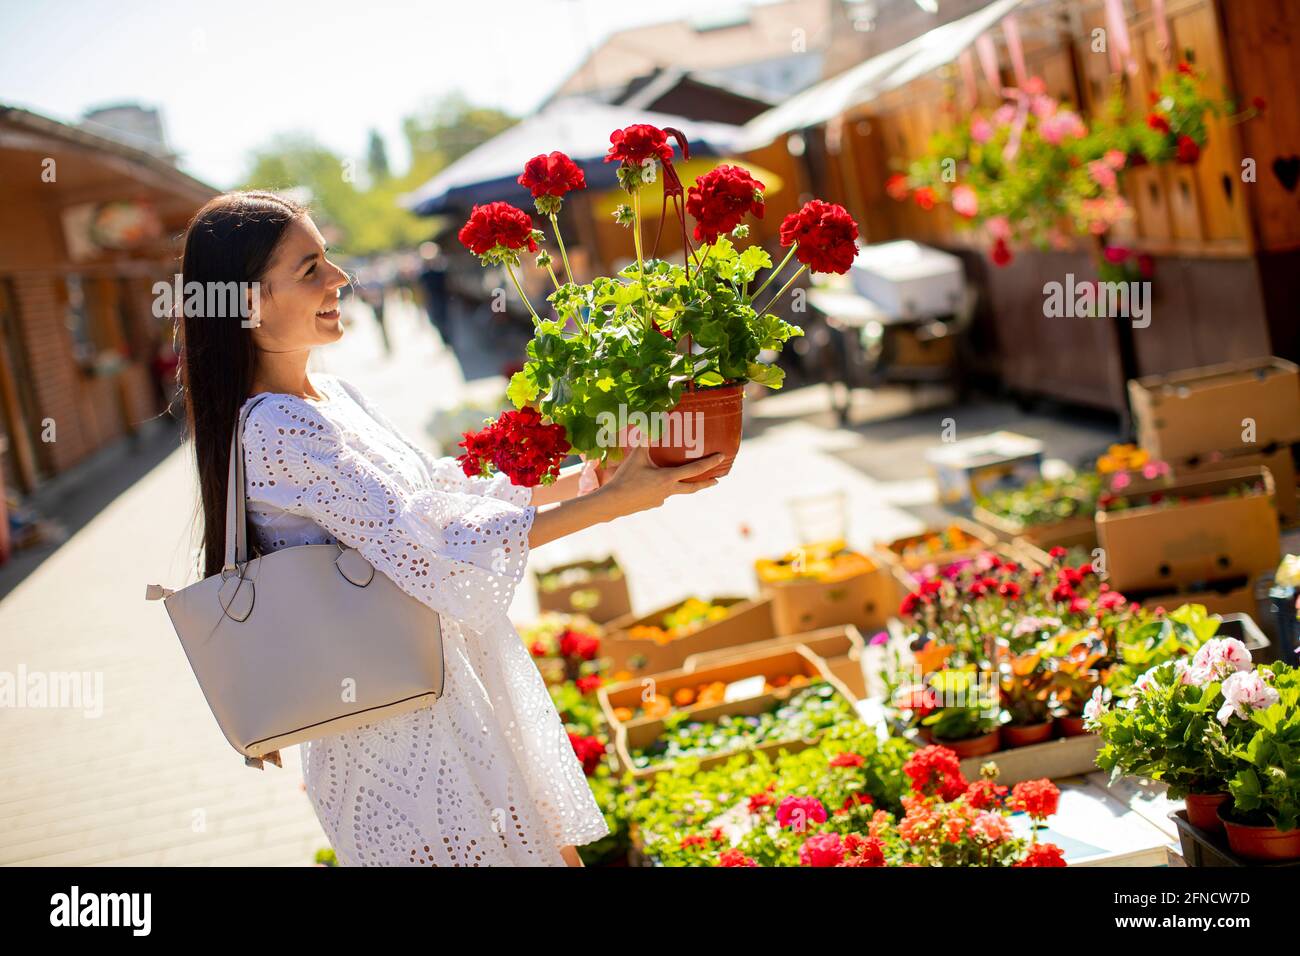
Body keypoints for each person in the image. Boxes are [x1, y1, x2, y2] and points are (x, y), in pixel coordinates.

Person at [176, 191, 719, 867]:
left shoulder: (331, 396)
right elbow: (422, 545)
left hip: (444, 693)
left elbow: (434, 492)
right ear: (246, 303)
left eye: (329, 259)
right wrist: (615, 504)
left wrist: (589, 479)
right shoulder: (274, 427)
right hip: (392, 735)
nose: (339, 279)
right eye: (310, 268)